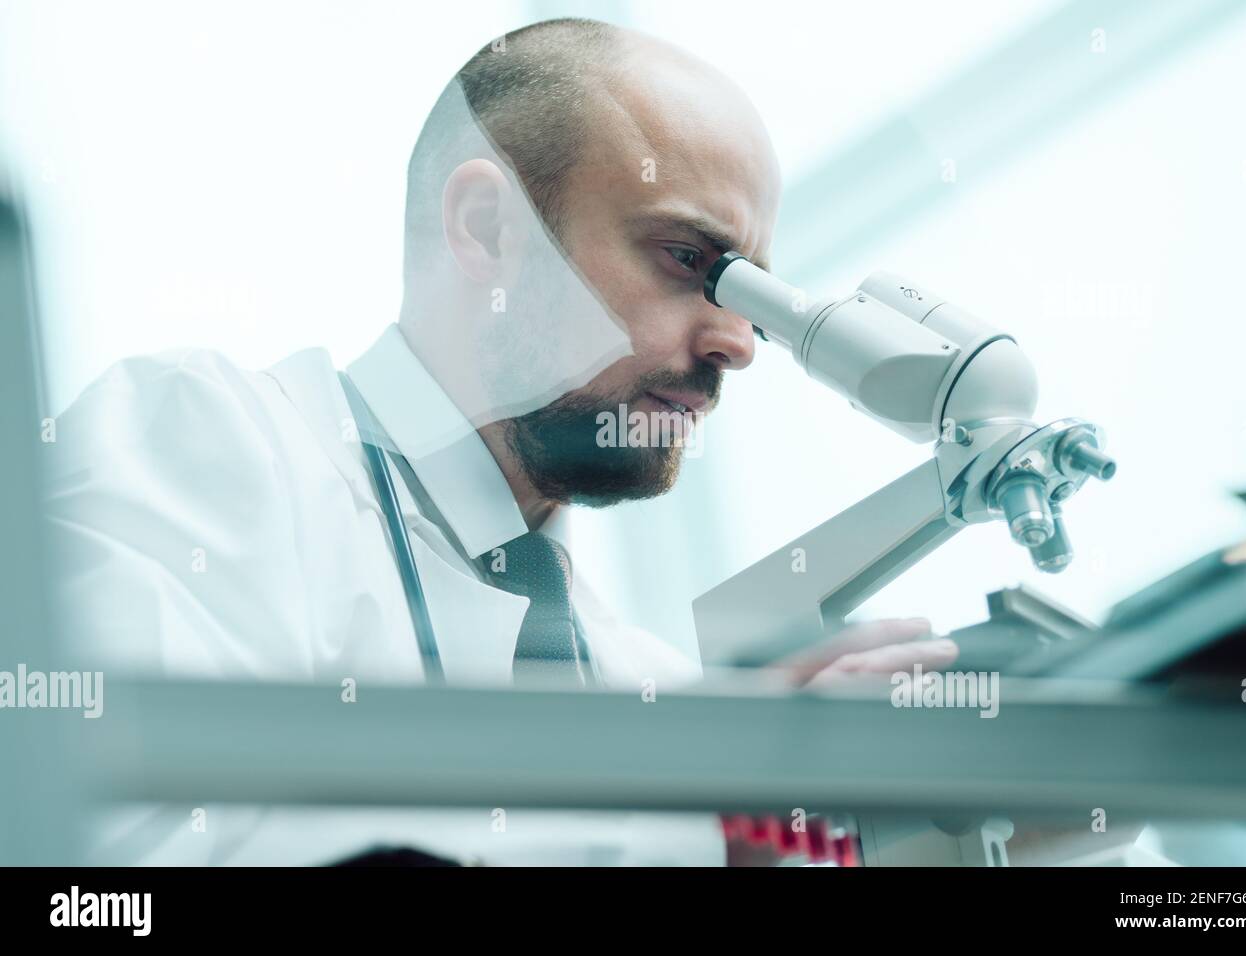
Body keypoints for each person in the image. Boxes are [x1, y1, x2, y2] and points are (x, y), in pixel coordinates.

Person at [46, 17, 956, 866]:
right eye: (690, 260)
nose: (738, 343)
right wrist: (694, 818)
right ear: (488, 229)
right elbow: (94, 856)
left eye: (752, 293)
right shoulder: (203, 442)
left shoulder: (651, 687)